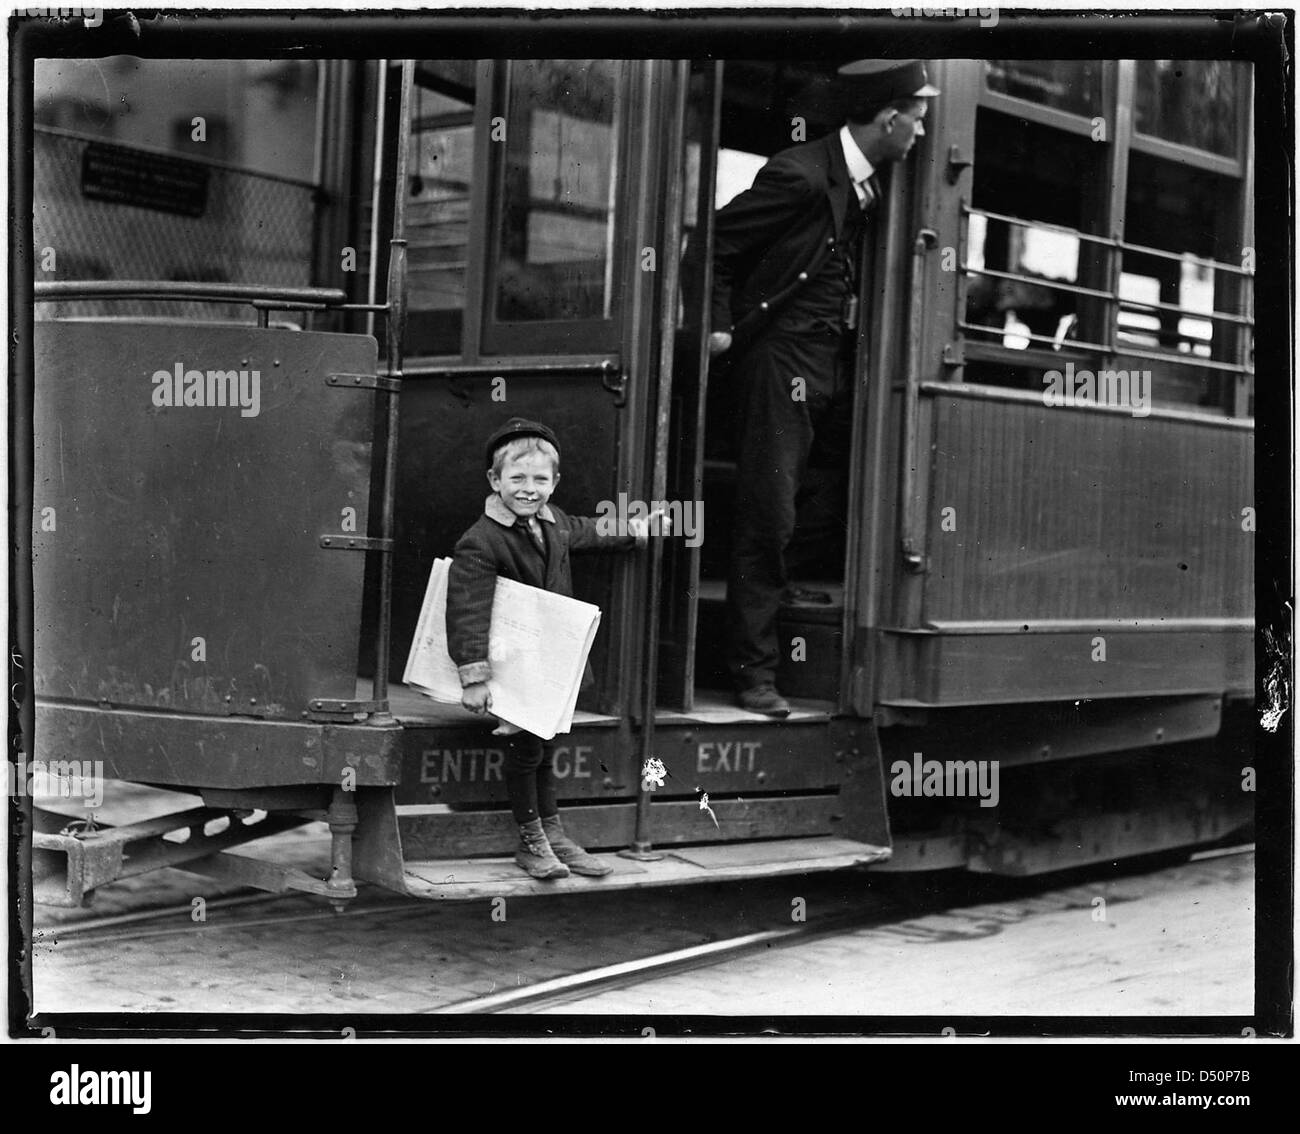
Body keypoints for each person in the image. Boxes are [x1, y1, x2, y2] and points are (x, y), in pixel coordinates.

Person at [689, 59, 939, 717]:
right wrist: (717, 327)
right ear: (889, 119)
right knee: (768, 511)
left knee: (811, 501)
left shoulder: (864, 182)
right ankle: (754, 673)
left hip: (824, 364)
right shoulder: (800, 174)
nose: (920, 130)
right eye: (917, 117)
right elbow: (711, 244)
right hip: (780, 363)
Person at [445, 417, 662, 879]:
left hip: (549, 669)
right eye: (517, 479)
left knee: (544, 749)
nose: (529, 489)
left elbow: (587, 530)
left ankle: (552, 832)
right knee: (526, 753)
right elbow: (467, 609)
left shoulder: (554, 522)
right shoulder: (480, 540)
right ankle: (531, 840)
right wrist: (475, 676)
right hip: (513, 672)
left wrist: (635, 529)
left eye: (540, 480)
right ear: (495, 480)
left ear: (555, 482)